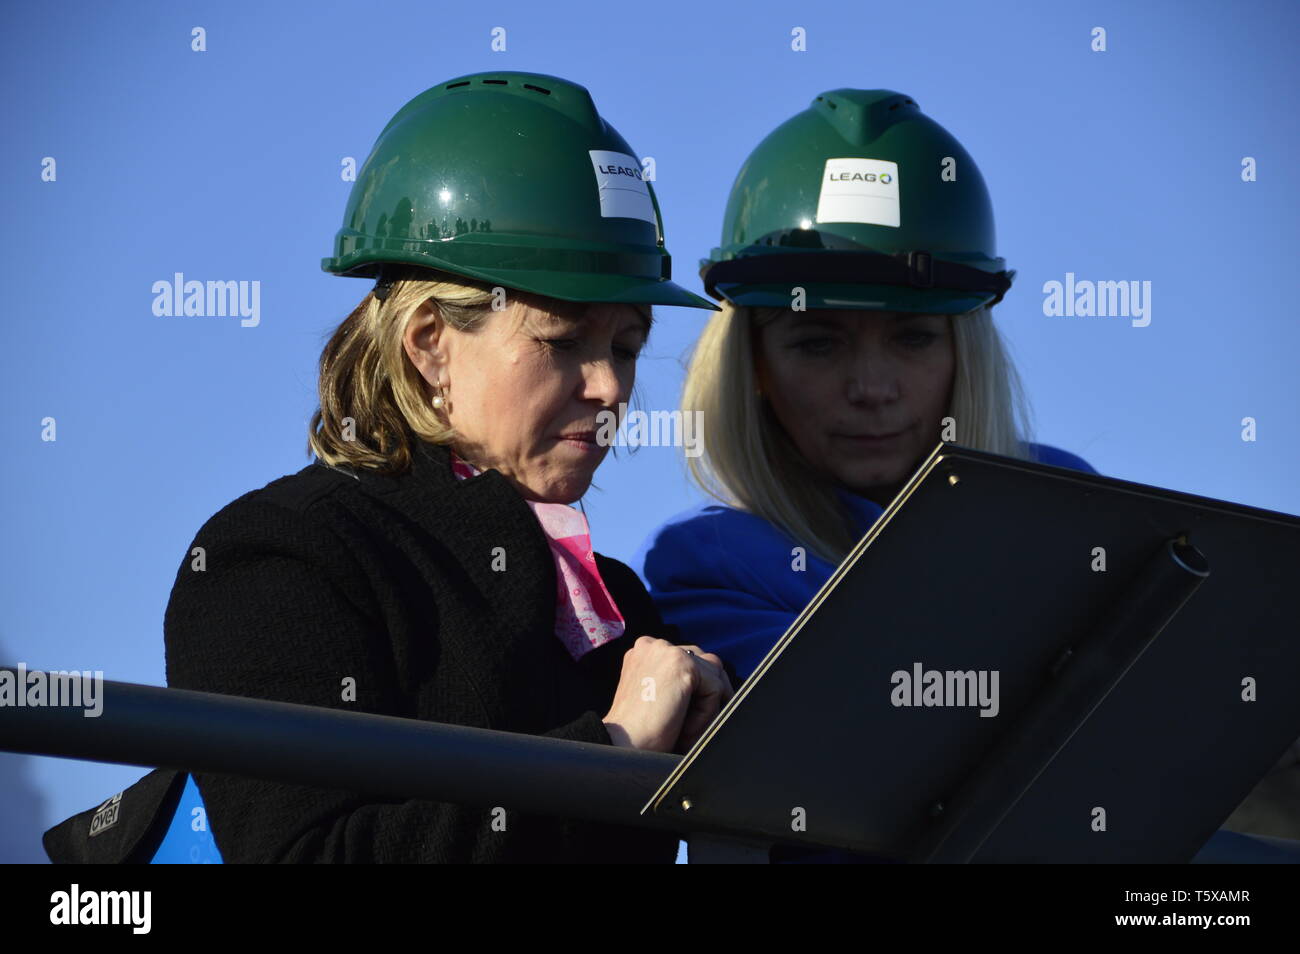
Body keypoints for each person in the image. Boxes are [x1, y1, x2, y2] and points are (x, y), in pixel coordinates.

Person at [120, 70, 732, 864]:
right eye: (562, 340)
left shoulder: (619, 608)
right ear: (431, 345)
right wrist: (612, 755)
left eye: (626, 345)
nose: (611, 386)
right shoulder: (282, 555)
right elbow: (308, 857)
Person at [636, 87, 1099, 683]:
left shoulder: (1067, 503)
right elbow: (876, 714)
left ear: (968, 351)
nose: (872, 388)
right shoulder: (710, 567)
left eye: (914, 338)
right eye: (817, 344)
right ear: (751, 366)